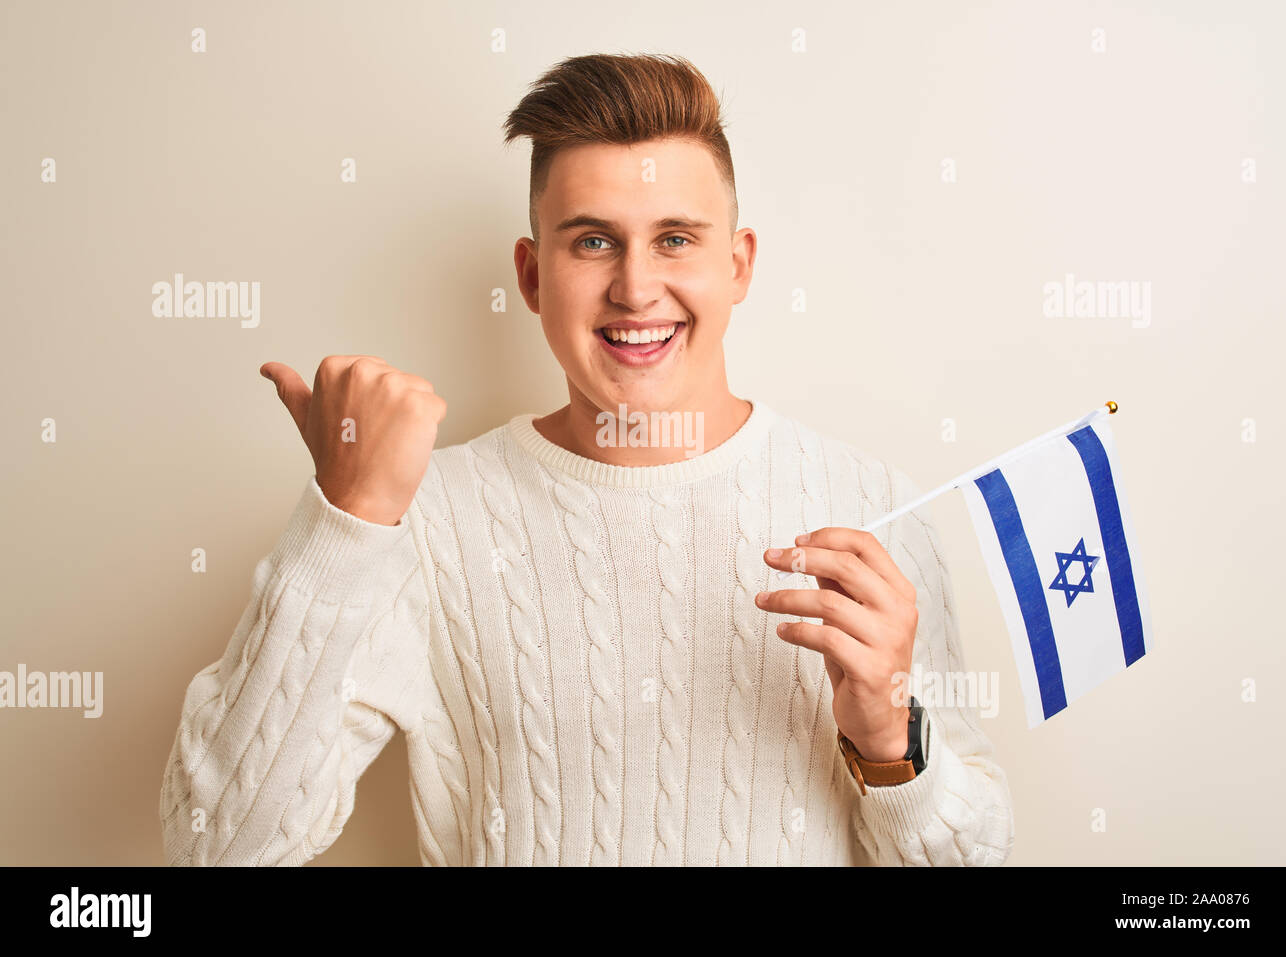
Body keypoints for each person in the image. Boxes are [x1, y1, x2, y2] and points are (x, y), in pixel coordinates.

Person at [159, 52, 1013, 866]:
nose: (636, 288)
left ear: (738, 264)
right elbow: (215, 845)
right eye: (594, 241)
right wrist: (344, 525)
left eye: (675, 238)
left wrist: (893, 742)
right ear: (532, 276)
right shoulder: (425, 519)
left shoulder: (871, 503)